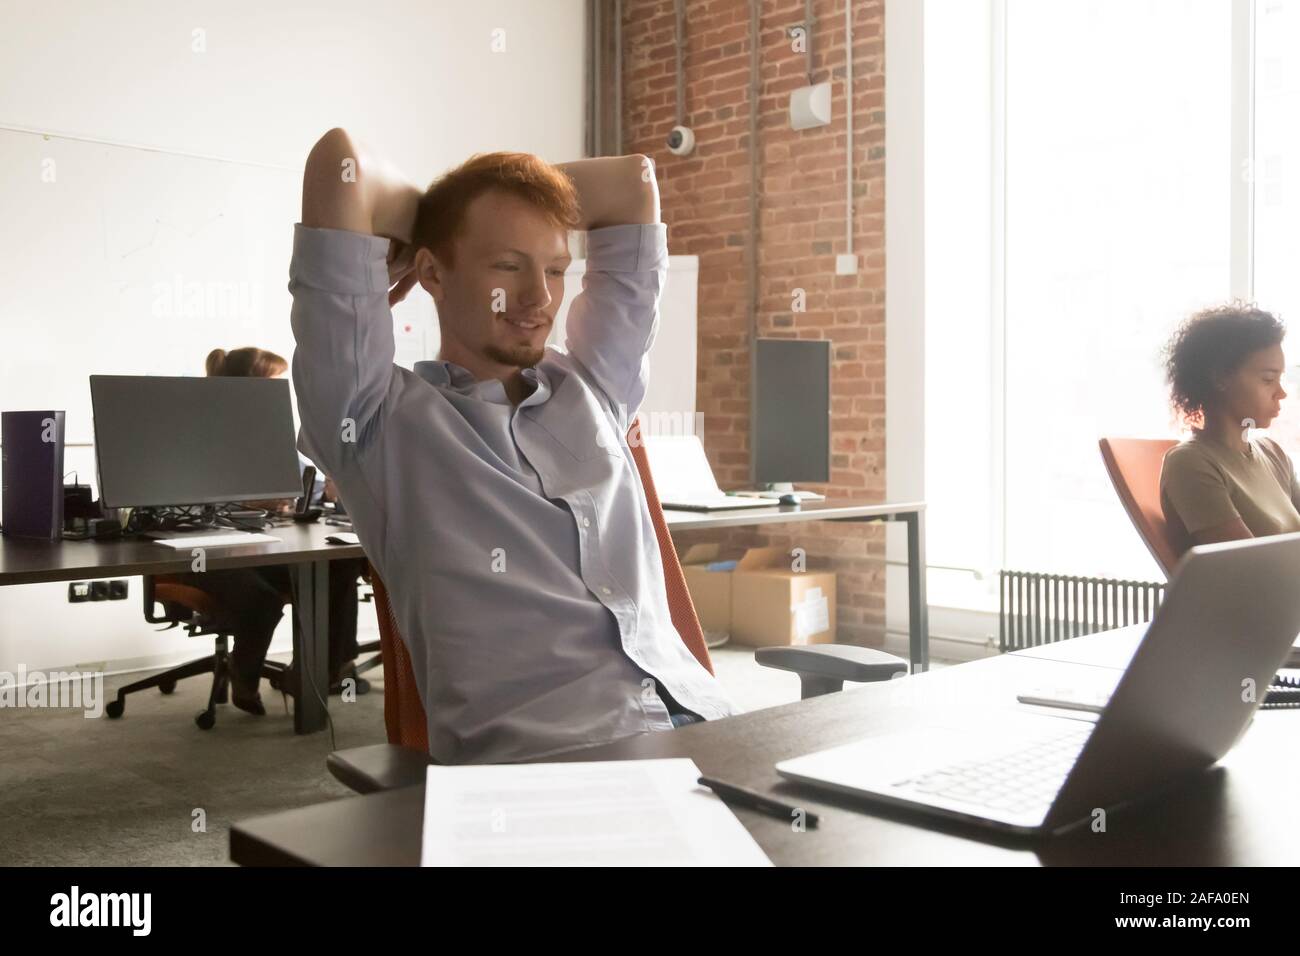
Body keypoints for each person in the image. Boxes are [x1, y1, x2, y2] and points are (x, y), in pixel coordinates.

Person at [289, 128, 738, 764]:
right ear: (431, 273)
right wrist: (438, 217)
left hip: (706, 724)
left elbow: (635, 182)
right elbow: (339, 164)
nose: (539, 298)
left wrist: (489, 204)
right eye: (507, 265)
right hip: (551, 762)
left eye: (555, 268)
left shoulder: (595, 388)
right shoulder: (373, 419)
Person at [168, 345, 367, 715]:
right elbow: (179, 506)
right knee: (262, 599)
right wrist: (241, 506)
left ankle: (320, 672)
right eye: (274, 384)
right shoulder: (197, 430)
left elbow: (306, 482)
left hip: (262, 547)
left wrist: (323, 486)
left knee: (339, 567)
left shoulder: (268, 432)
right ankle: (245, 676)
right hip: (207, 555)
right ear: (248, 388)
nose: (282, 395)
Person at [1160, 303, 1300, 551]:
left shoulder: (1273, 454)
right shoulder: (1190, 463)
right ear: (1221, 378)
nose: (1281, 393)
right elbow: (1250, 569)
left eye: (1281, 379)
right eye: (1268, 379)